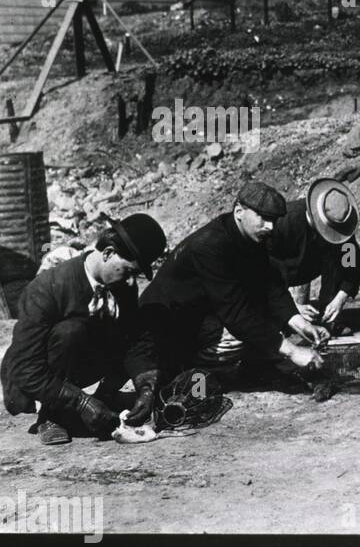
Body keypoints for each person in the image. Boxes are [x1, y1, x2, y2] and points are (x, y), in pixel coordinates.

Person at [129, 181, 328, 380]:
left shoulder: (252, 236)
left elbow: (270, 285)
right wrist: (293, 351)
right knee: (238, 335)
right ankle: (190, 366)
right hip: (167, 329)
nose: (271, 226)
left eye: (274, 220)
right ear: (239, 211)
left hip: (202, 315)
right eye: (264, 218)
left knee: (262, 315)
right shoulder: (210, 245)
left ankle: (247, 361)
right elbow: (235, 313)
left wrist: (301, 324)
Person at [2, 214, 167, 444]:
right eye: (128, 272)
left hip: (81, 360)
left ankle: (104, 399)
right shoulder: (48, 287)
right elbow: (25, 367)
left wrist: (146, 386)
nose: (131, 282)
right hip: (36, 373)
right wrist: (80, 402)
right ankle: (50, 415)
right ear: (108, 253)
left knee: (135, 323)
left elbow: (135, 339)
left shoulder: (121, 285)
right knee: (71, 331)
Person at [270, 178, 360, 330]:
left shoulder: (341, 227)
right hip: (279, 271)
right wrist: (290, 306)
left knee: (338, 258)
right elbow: (258, 272)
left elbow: (353, 265)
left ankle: (328, 317)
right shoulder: (283, 222)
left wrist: (340, 298)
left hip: (311, 266)